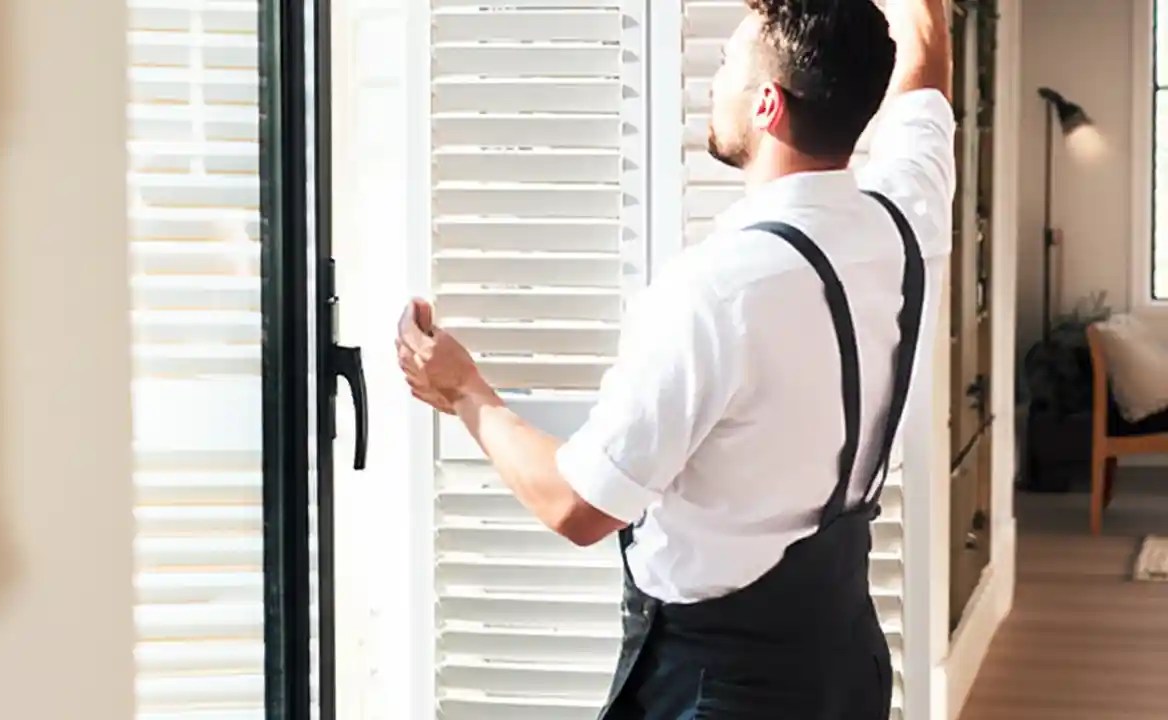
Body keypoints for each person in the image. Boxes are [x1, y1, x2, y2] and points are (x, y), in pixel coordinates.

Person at [397, 0, 953, 717]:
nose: (712, 78)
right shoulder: (908, 216)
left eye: (724, 63)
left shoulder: (716, 291)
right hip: (847, 666)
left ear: (766, 105)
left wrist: (465, 390)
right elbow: (926, 82)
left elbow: (578, 506)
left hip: (717, 690)